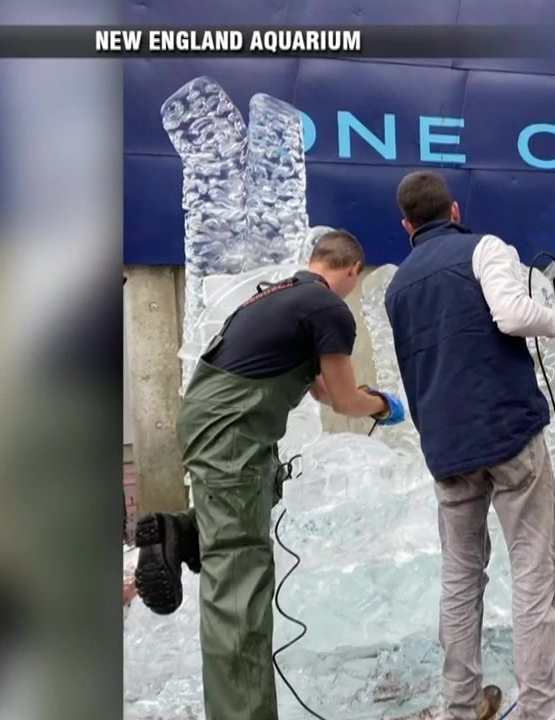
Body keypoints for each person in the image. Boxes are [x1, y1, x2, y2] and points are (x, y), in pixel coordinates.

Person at [132, 230, 406, 719]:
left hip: (221, 427)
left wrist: (361, 397)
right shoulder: (328, 310)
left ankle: (184, 530)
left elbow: (322, 392)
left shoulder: (276, 295)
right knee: (240, 583)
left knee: (258, 499)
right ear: (352, 270)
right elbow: (344, 401)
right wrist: (383, 405)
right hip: (231, 437)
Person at [385, 170, 555, 720]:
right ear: (453, 211)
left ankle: (460, 704)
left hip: (447, 449)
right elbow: (513, 315)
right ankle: (540, 708)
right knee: (533, 571)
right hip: (507, 435)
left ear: (407, 226)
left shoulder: (397, 285)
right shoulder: (485, 248)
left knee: (460, 578)